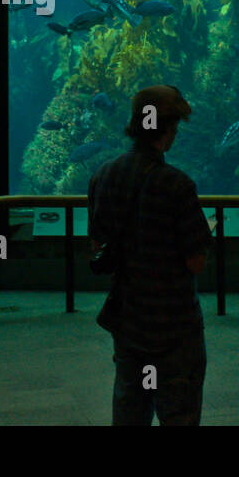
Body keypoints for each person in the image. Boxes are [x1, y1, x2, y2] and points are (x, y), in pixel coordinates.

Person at [88, 85, 211, 426]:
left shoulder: (104, 176)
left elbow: (97, 245)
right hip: (175, 324)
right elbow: (195, 261)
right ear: (168, 129)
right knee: (179, 412)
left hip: (129, 318)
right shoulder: (178, 185)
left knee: (131, 407)